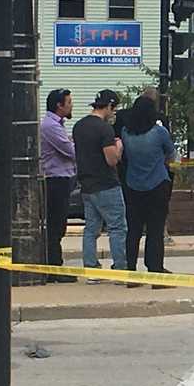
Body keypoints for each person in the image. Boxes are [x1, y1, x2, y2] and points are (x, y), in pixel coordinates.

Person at [121, 95, 177, 285]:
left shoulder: (126, 133)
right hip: (157, 185)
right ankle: (155, 271)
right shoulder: (159, 132)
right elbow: (172, 154)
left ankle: (131, 272)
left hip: (133, 185)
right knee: (155, 230)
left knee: (133, 230)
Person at [73, 89, 127, 281]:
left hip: (86, 184)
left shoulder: (79, 126)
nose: (114, 113)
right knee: (117, 228)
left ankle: (91, 269)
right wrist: (119, 147)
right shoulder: (105, 129)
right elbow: (111, 159)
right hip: (106, 184)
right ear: (109, 106)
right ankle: (121, 268)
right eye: (114, 108)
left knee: (91, 229)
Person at [40, 88, 78, 283]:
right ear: (59, 105)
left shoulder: (56, 125)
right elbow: (70, 150)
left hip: (61, 178)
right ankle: (53, 267)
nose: (72, 106)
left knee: (58, 225)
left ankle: (54, 265)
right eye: (69, 102)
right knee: (55, 225)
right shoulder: (50, 126)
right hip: (55, 180)